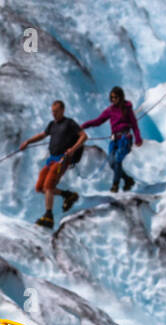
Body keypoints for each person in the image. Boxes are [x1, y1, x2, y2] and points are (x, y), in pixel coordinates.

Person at [19, 99, 86, 229]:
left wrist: (73, 149)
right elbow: (42, 135)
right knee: (40, 187)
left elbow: (84, 136)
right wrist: (28, 141)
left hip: (63, 159)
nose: (54, 114)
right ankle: (68, 195)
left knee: (49, 185)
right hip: (52, 159)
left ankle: (49, 216)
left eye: (56, 111)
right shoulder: (52, 125)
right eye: (52, 112)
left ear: (62, 110)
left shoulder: (69, 123)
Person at [81, 86, 143, 192]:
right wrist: (85, 125)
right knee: (111, 162)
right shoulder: (110, 110)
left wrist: (138, 138)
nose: (113, 99)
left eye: (115, 97)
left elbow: (134, 124)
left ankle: (115, 185)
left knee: (118, 160)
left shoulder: (127, 108)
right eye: (112, 97)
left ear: (120, 97)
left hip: (125, 139)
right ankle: (128, 180)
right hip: (114, 140)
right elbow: (98, 121)